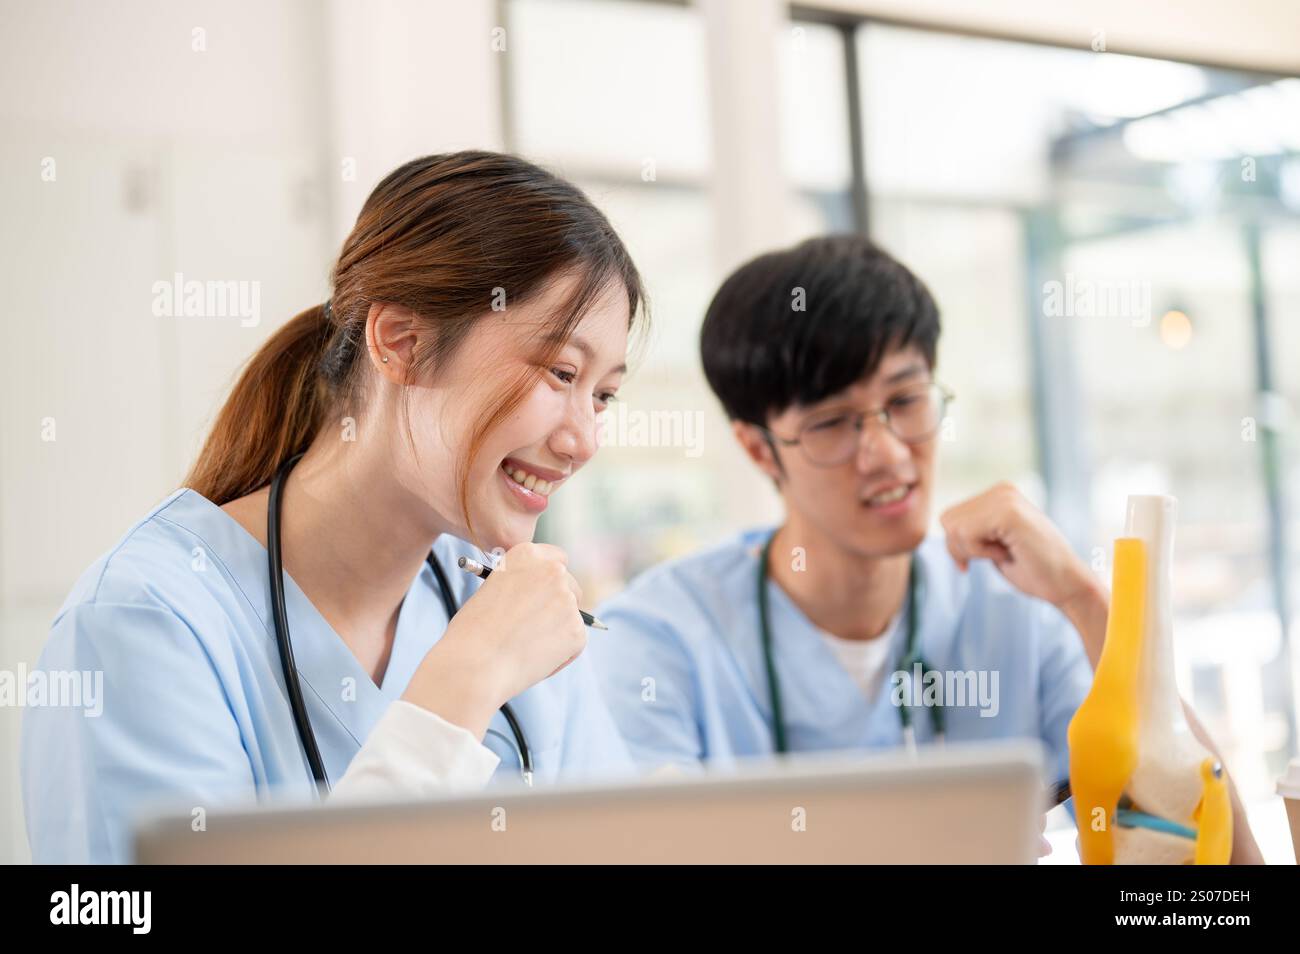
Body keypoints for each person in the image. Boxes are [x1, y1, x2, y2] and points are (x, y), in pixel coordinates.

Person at [22, 151, 643, 863]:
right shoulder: (144, 622)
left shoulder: (516, 616)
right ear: (401, 343)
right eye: (561, 372)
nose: (584, 439)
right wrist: (459, 690)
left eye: (603, 395)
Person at [589, 234, 1261, 862]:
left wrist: (1084, 601)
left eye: (906, 400)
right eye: (833, 423)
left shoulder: (1020, 611)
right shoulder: (660, 639)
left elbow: (1218, 880)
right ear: (758, 447)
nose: (886, 453)